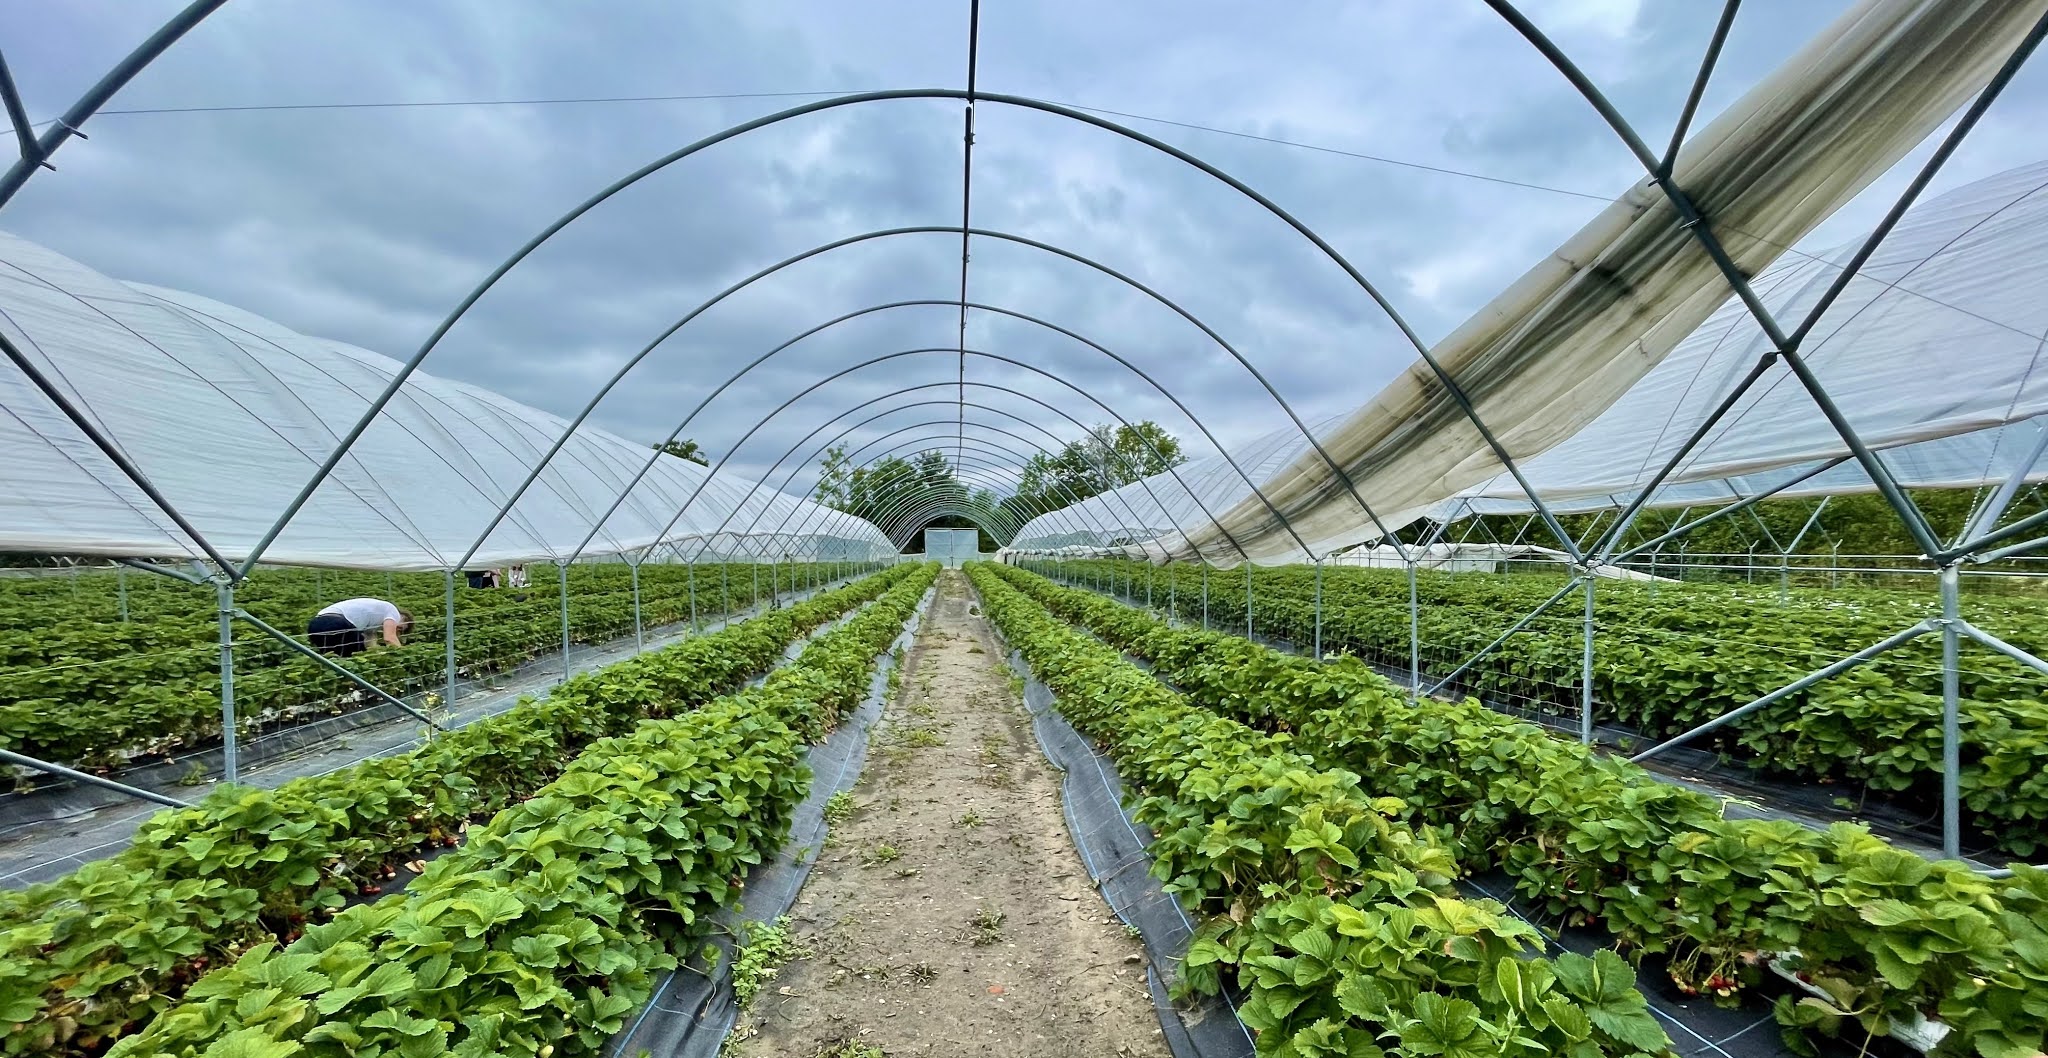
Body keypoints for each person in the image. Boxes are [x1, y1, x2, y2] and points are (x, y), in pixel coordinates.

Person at [307, 597, 411, 658]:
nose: (397, 631)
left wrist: (378, 654)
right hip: (336, 623)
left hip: (316, 625)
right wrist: (405, 656)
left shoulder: (374, 619)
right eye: (400, 628)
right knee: (355, 655)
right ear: (401, 617)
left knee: (331, 658)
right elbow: (389, 638)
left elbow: (370, 644)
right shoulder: (393, 612)